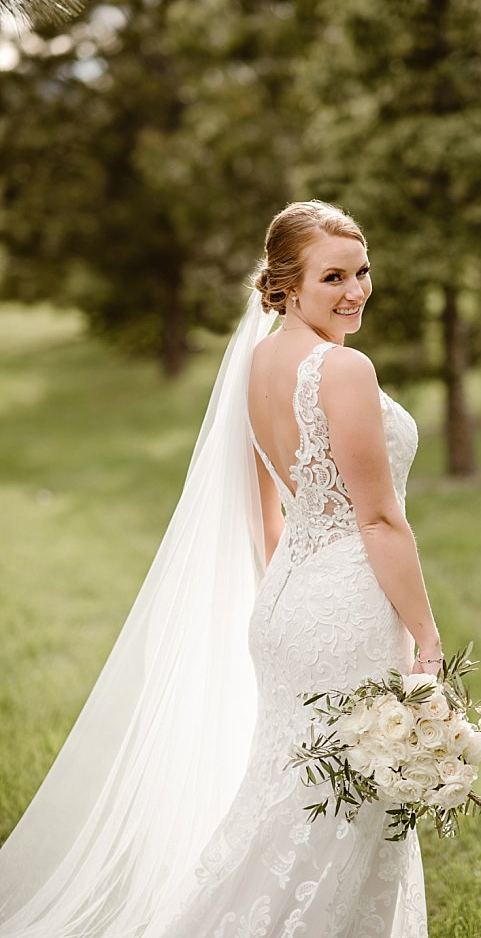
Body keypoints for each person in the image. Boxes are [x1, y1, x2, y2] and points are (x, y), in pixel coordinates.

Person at [0, 201, 439, 936]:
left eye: (362, 271)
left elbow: (269, 513)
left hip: (287, 608)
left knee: (289, 801)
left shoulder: (259, 362)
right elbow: (379, 518)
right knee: (345, 810)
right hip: (349, 612)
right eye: (333, 276)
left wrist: (294, 600)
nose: (356, 290)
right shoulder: (344, 369)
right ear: (287, 284)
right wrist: (427, 636)